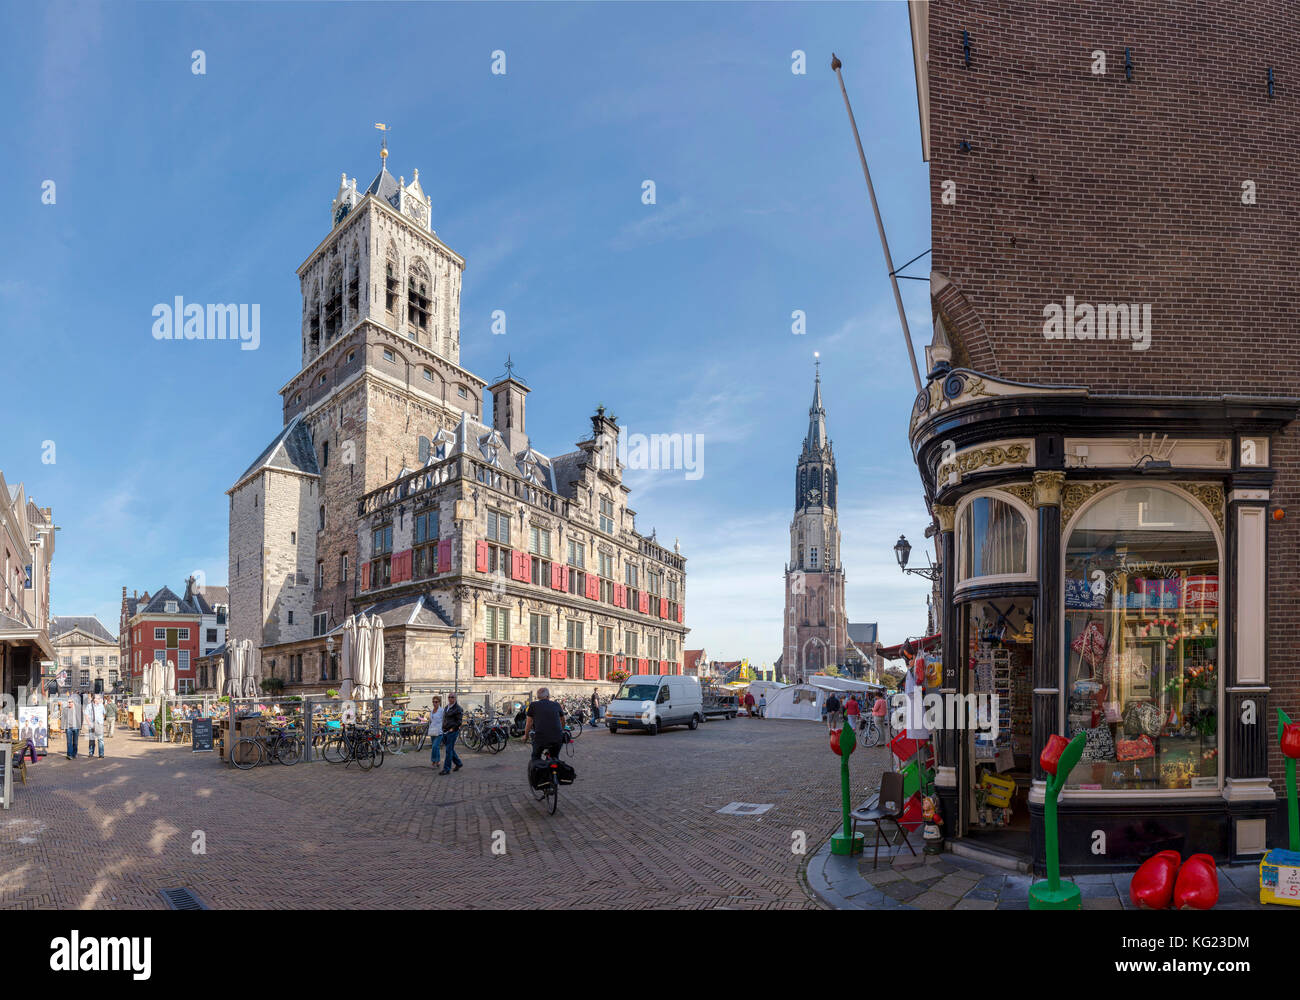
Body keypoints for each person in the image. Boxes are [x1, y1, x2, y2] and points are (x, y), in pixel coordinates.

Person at [524, 687, 566, 762]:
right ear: (548, 696)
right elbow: (563, 720)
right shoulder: (556, 704)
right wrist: (561, 730)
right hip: (557, 738)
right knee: (555, 757)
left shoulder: (533, 705)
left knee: (535, 757)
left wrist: (526, 736)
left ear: (538, 697)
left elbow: (529, 723)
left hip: (540, 738)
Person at [439, 693, 464, 775]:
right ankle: (458, 763)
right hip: (445, 731)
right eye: (449, 697)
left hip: (452, 732)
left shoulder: (458, 708)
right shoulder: (446, 707)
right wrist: (443, 728)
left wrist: (452, 729)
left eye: (452, 697)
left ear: (455, 698)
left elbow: (459, 722)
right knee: (450, 750)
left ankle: (446, 769)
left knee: (448, 751)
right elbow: (445, 719)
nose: (450, 698)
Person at [85, 694, 107, 759]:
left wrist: (101, 720)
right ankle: (91, 753)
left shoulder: (101, 705)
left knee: (100, 739)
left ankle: (101, 754)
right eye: (98, 698)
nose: (99, 699)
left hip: (99, 724)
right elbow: (86, 715)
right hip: (92, 725)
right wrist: (89, 723)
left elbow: (104, 714)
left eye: (99, 698)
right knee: (92, 739)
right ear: (94, 699)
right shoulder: (89, 706)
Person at [427, 696, 445, 770]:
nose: (434, 703)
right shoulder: (432, 711)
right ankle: (436, 761)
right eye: (433, 702)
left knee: (435, 746)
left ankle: (435, 760)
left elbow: (444, 720)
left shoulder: (442, 711)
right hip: (433, 731)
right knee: (435, 747)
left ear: (439, 702)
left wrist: (444, 728)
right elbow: (431, 720)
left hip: (439, 731)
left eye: (436, 702)